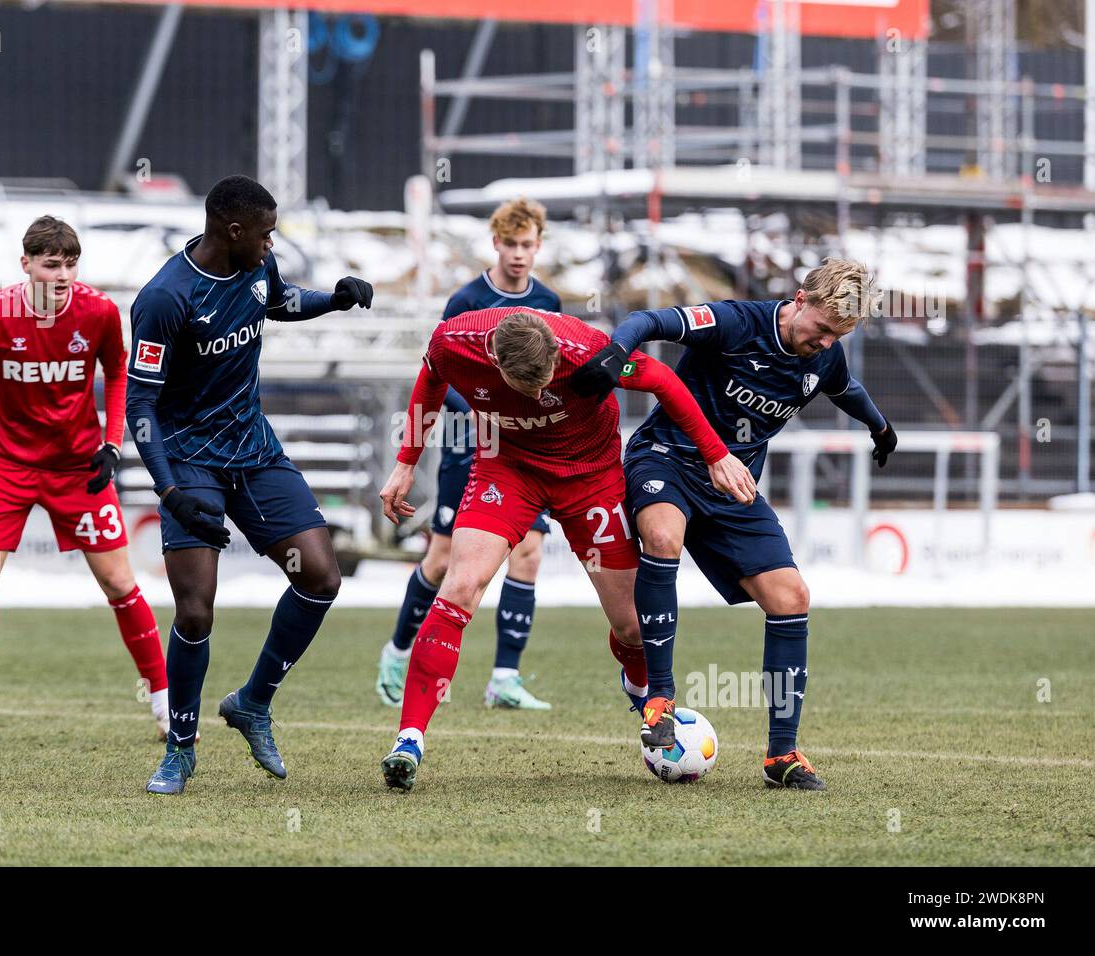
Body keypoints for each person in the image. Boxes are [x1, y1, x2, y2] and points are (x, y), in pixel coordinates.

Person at [377, 307, 758, 791]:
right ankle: (409, 740)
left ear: (556, 355)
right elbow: (431, 377)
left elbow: (663, 379)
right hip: (507, 469)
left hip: (590, 479)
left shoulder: (589, 351)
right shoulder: (453, 342)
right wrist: (406, 462)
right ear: (493, 359)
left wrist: (717, 454)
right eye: (526, 388)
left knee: (631, 625)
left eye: (544, 384)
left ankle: (639, 690)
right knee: (462, 586)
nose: (538, 396)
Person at [569, 258, 896, 790]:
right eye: (822, 329)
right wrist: (615, 352)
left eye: (838, 335)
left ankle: (782, 756)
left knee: (791, 597)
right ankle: (660, 696)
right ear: (800, 299)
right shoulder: (736, 323)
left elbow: (846, 388)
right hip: (666, 460)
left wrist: (880, 428)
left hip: (733, 487)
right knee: (661, 536)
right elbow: (652, 321)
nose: (825, 342)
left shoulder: (825, 357)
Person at [126, 175, 374, 794]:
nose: (272, 244)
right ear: (232, 231)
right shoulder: (165, 298)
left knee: (320, 576)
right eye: (265, 234)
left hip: (253, 452)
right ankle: (180, 747)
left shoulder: (257, 269)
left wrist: (336, 299)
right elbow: (140, 404)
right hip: (188, 463)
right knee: (196, 607)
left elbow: (281, 301)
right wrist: (168, 489)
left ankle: (252, 702)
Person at [0, 216, 169, 743]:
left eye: (71, 265)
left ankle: (166, 705)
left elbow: (118, 373)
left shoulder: (100, 312)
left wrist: (112, 442)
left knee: (119, 582)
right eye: (51, 265)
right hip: (6, 469)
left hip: (77, 467)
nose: (62, 276)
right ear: (27, 265)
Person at [377, 198, 562, 712]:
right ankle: (396, 652)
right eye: (512, 244)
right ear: (496, 243)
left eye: (529, 245)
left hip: (526, 447)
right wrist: (491, 405)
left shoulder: (548, 302)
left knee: (528, 551)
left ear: (538, 245)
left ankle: (505, 677)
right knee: (441, 560)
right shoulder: (466, 300)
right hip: (469, 442)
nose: (520, 254)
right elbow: (442, 371)